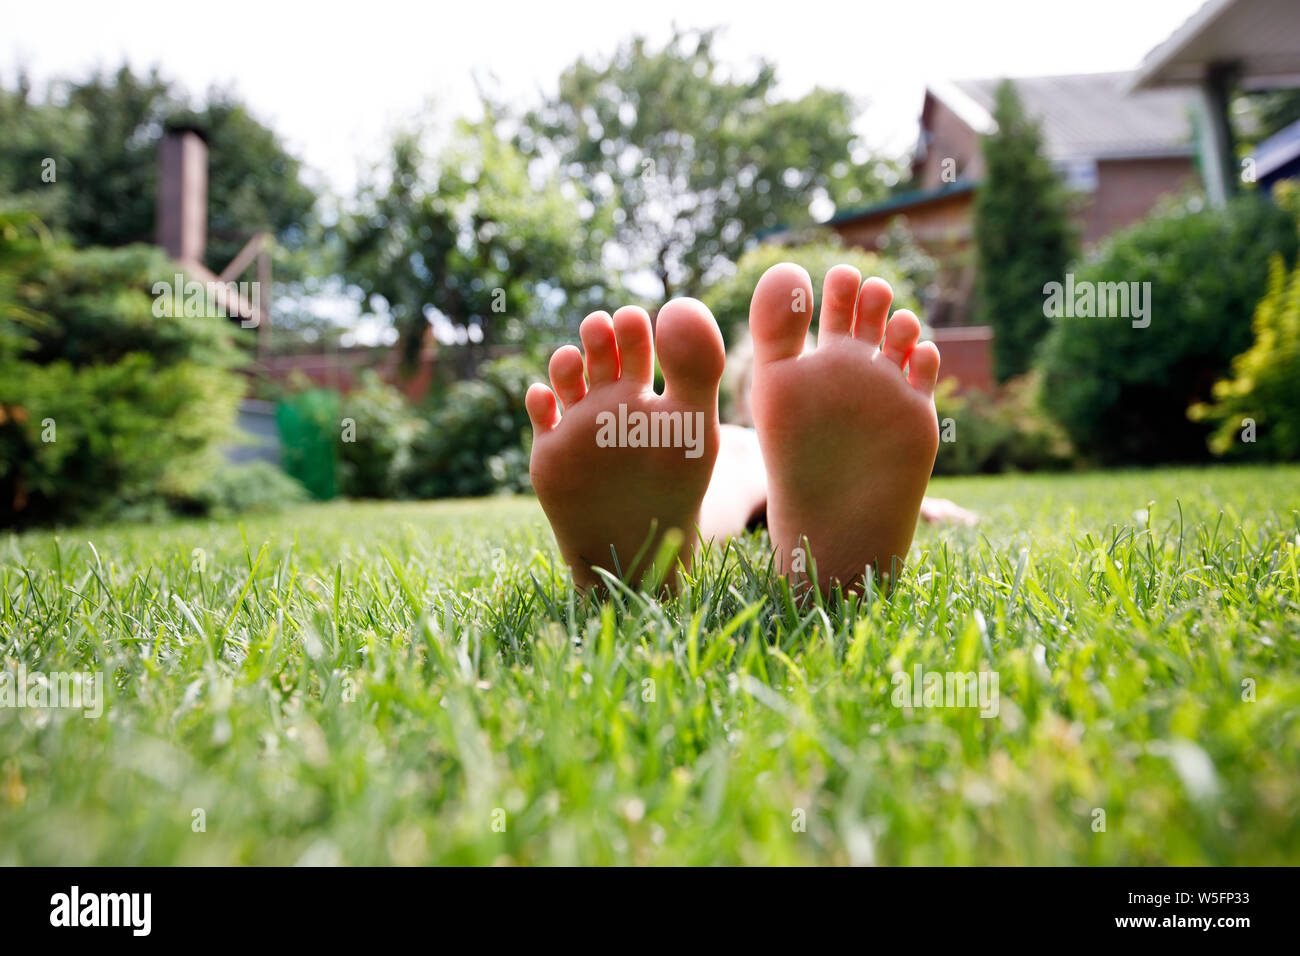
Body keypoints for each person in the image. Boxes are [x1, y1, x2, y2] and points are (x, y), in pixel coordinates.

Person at [524, 261, 975, 593]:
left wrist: (920, 502)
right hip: (748, 453)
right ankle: (663, 545)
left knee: (728, 464)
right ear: (748, 404)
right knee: (732, 456)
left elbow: (873, 481)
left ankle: (653, 558)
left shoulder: (733, 440)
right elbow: (873, 475)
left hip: (750, 459)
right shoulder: (736, 437)